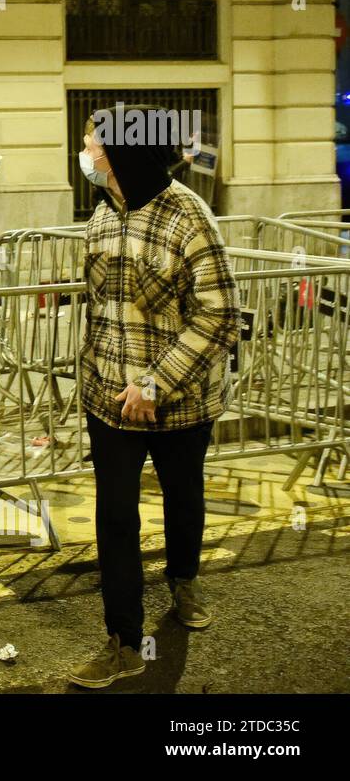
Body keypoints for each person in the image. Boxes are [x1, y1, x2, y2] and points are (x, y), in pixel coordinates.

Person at [69, 107, 240, 689]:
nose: (87, 154)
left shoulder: (190, 218)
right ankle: (123, 641)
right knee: (115, 517)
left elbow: (221, 316)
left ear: (122, 155)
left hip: (179, 404)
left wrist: (153, 383)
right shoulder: (101, 213)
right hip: (109, 402)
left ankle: (184, 582)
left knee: (182, 498)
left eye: (93, 144)